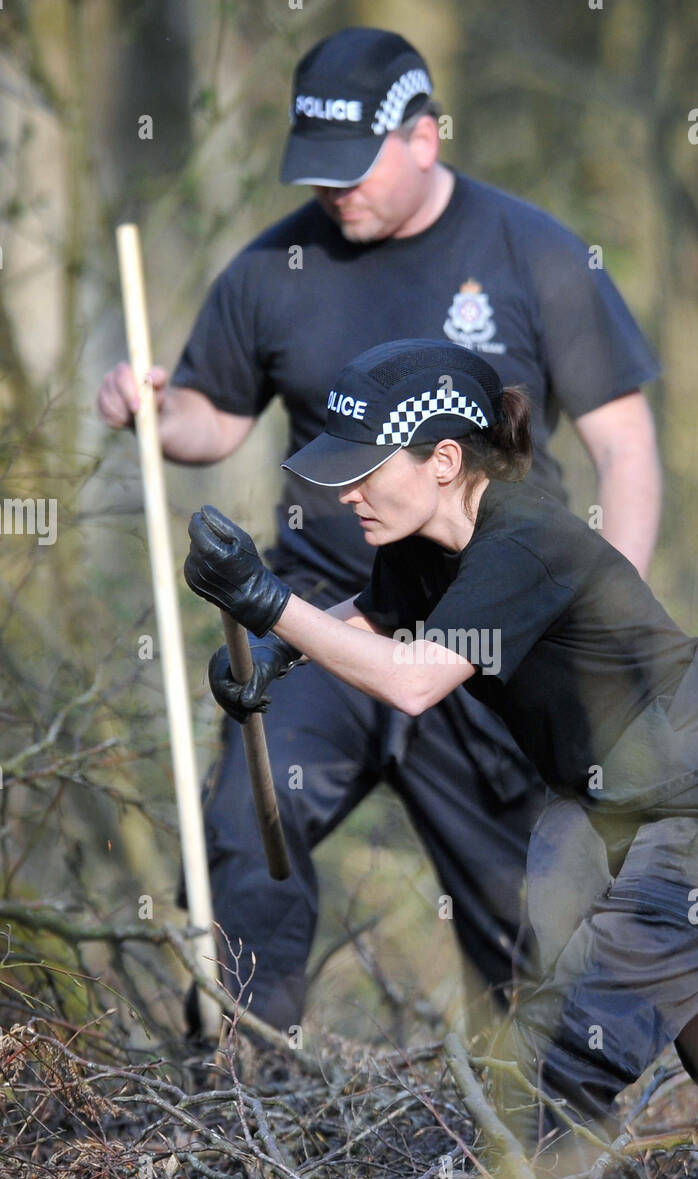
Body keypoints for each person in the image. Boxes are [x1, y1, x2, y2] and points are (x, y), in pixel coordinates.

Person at [96, 26, 664, 1029]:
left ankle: (542, 1143)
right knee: (248, 831)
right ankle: (248, 1081)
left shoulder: (532, 252)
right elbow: (210, 418)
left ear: (425, 137)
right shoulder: (273, 270)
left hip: (485, 625)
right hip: (325, 615)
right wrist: (153, 406)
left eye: (352, 169)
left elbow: (626, 449)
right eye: (314, 171)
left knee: (535, 912)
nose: (332, 192)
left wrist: (603, 612)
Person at [183, 338, 698, 1168]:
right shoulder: (424, 547)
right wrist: (274, 655)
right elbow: (376, 617)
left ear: (444, 459)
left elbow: (413, 682)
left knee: (556, 1063)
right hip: (658, 821)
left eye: (365, 469)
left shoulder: (523, 541)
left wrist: (268, 605)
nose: (344, 494)